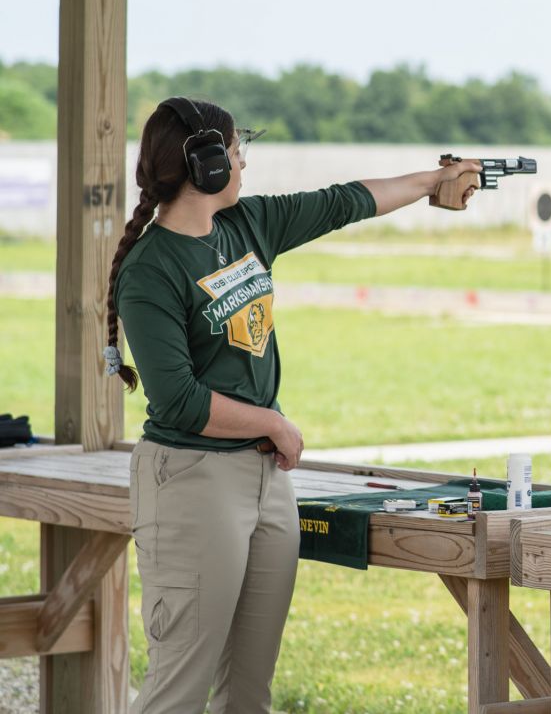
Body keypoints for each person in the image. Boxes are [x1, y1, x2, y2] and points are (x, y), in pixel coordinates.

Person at [104, 96, 480, 714]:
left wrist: (434, 181)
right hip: (193, 480)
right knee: (179, 688)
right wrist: (273, 423)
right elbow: (179, 401)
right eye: (236, 149)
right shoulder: (152, 269)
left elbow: (345, 201)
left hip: (263, 477)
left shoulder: (247, 225)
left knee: (249, 690)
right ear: (206, 166)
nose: (243, 161)